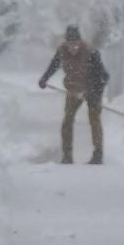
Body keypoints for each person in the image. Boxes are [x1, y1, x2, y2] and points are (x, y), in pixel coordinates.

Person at [37, 24, 109, 165]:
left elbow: (103, 76)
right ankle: (67, 155)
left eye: (75, 44)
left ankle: (98, 155)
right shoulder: (62, 51)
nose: (73, 48)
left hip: (92, 89)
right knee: (67, 121)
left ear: (80, 42)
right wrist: (44, 78)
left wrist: (93, 94)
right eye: (70, 44)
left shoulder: (91, 53)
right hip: (73, 90)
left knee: (94, 121)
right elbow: (54, 65)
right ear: (66, 43)